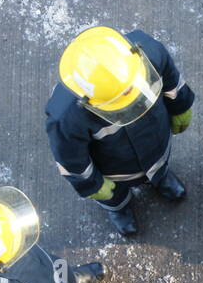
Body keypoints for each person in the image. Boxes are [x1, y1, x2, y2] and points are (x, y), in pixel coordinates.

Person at [45, 26, 193, 237]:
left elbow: (171, 79)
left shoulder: (148, 52)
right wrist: (94, 185)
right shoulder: (66, 116)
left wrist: (181, 106)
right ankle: (119, 208)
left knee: (160, 165)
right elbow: (70, 158)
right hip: (114, 169)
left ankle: (161, 178)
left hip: (156, 140)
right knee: (113, 195)